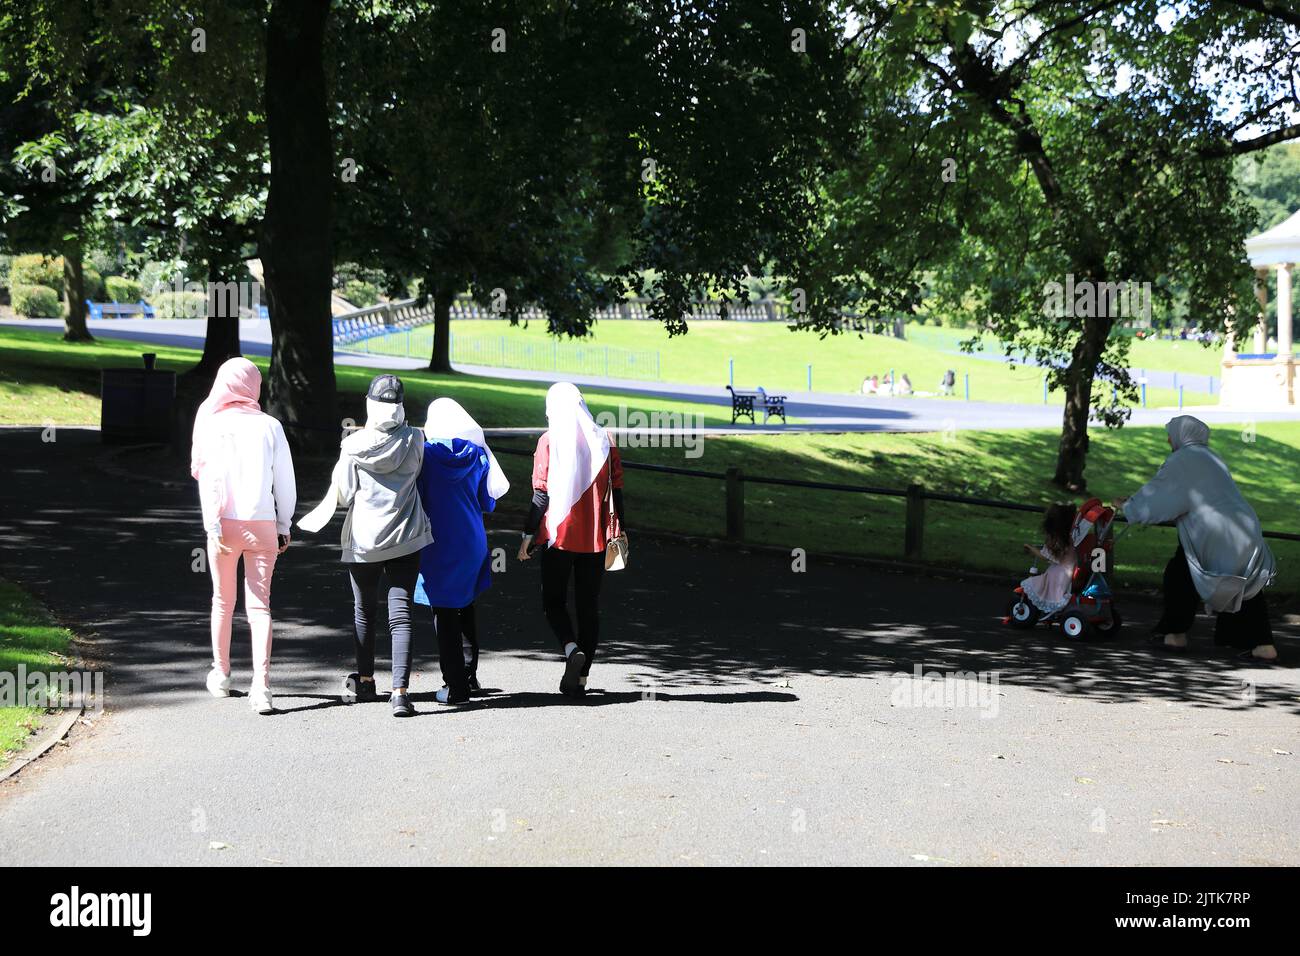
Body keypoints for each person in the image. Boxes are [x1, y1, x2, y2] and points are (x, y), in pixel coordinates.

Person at [298, 375, 432, 717]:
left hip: (364, 541)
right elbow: (419, 476)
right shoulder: (416, 439)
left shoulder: (353, 446)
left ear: (370, 404)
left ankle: (367, 682)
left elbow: (342, 493)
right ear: (401, 407)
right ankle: (400, 692)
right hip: (405, 536)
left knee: (364, 611)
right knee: (401, 615)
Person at [1115, 416, 1278, 662]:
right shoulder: (1211, 457)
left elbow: (1162, 496)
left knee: (1179, 577)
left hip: (1213, 534)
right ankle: (1263, 645)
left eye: (1171, 434)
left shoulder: (1182, 460)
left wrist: (1129, 506)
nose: (1169, 439)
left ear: (1182, 435)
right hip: (1244, 528)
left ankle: (1175, 635)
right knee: (1242, 584)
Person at [190, 358, 296, 715]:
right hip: (262, 523)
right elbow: (284, 480)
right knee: (260, 606)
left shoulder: (212, 423)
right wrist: (284, 523)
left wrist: (211, 524)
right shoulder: (271, 426)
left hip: (223, 522)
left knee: (223, 600)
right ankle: (261, 686)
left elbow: (208, 478)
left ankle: (221, 674)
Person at [517, 382, 626, 697]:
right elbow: (616, 490)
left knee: (553, 602)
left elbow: (541, 495)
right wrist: (620, 530)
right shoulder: (605, 441)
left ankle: (570, 647)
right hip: (596, 539)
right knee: (589, 607)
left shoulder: (549, 441)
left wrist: (528, 535)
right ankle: (581, 679)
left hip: (558, 537)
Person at [415, 398, 507, 703]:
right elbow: (487, 502)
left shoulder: (424, 456)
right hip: (472, 539)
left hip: (438, 540)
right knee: (466, 605)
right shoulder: (478, 455)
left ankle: (454, 685)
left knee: (443, 611)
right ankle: (468, 675)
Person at [1019, 503, 1077, 615]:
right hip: (1070, 566)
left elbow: (1045, 556)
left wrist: (1031, 548)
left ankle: (1051, 607)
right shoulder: (1070, 536)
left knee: (1036, 584)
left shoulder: (1057, 539)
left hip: (1061, 572)